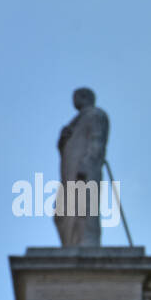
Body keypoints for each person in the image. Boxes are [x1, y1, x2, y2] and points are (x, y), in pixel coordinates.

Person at [55, 87, 109, 247]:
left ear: (84, 97)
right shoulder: (74, 123)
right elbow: (69, 151)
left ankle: (87, 241)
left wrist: (88, 162)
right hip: (69, 175)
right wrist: (62, 142)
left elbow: (97, 141)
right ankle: (71, 244)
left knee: (84, 206)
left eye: (75, 96)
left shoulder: (95, 115)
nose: (73, 100)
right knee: (61, 212)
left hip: (85, 169)